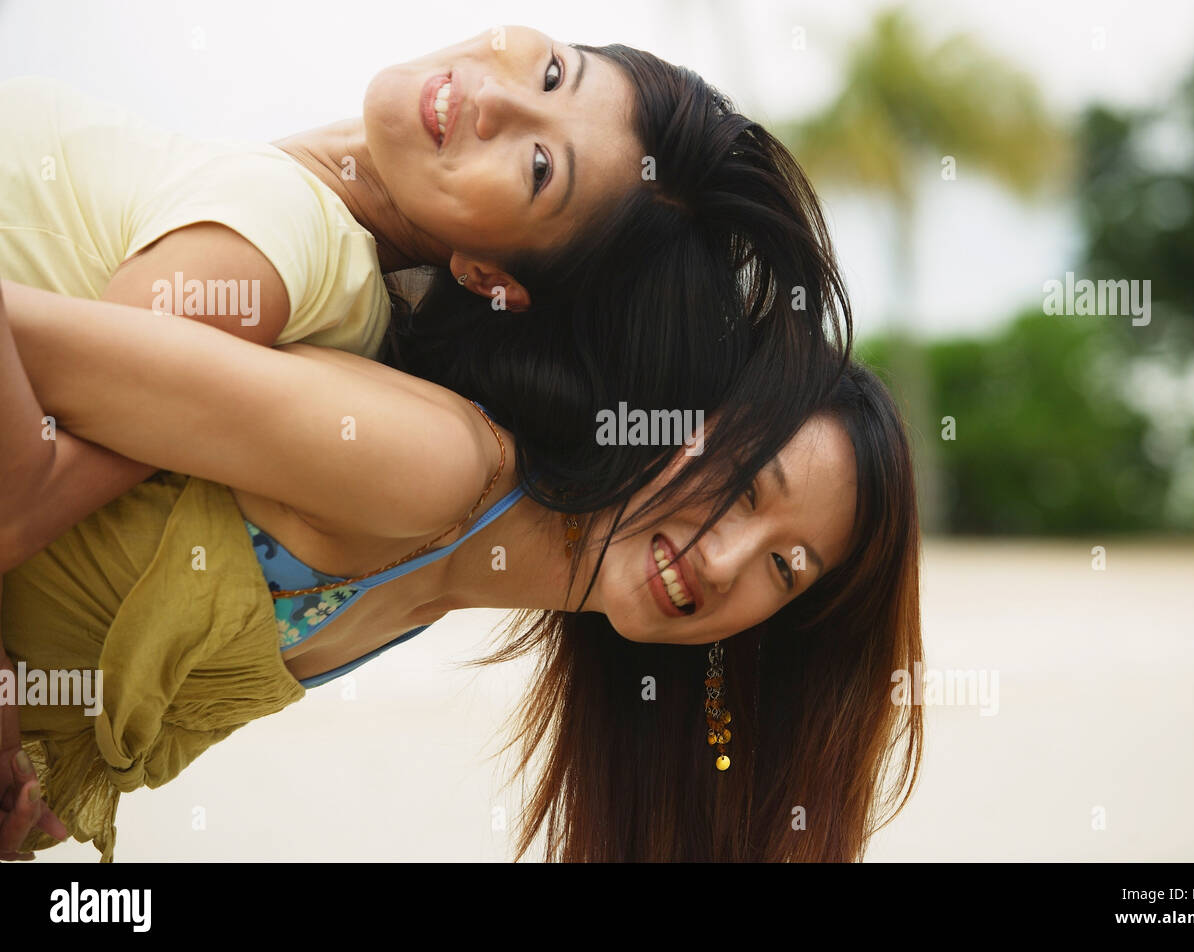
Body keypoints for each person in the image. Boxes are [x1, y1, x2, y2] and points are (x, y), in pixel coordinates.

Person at [0, 279, 922, 862]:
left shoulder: (447, 585)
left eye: (787, 569)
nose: (724, 560)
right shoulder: (429, 466)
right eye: (751, 487)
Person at [1, 24, 851, 572]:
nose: (494, 96)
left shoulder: (276, 241)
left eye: (538, 168)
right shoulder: (310, 225)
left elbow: (23, 500)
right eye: (555, 72)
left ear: (489, 278)